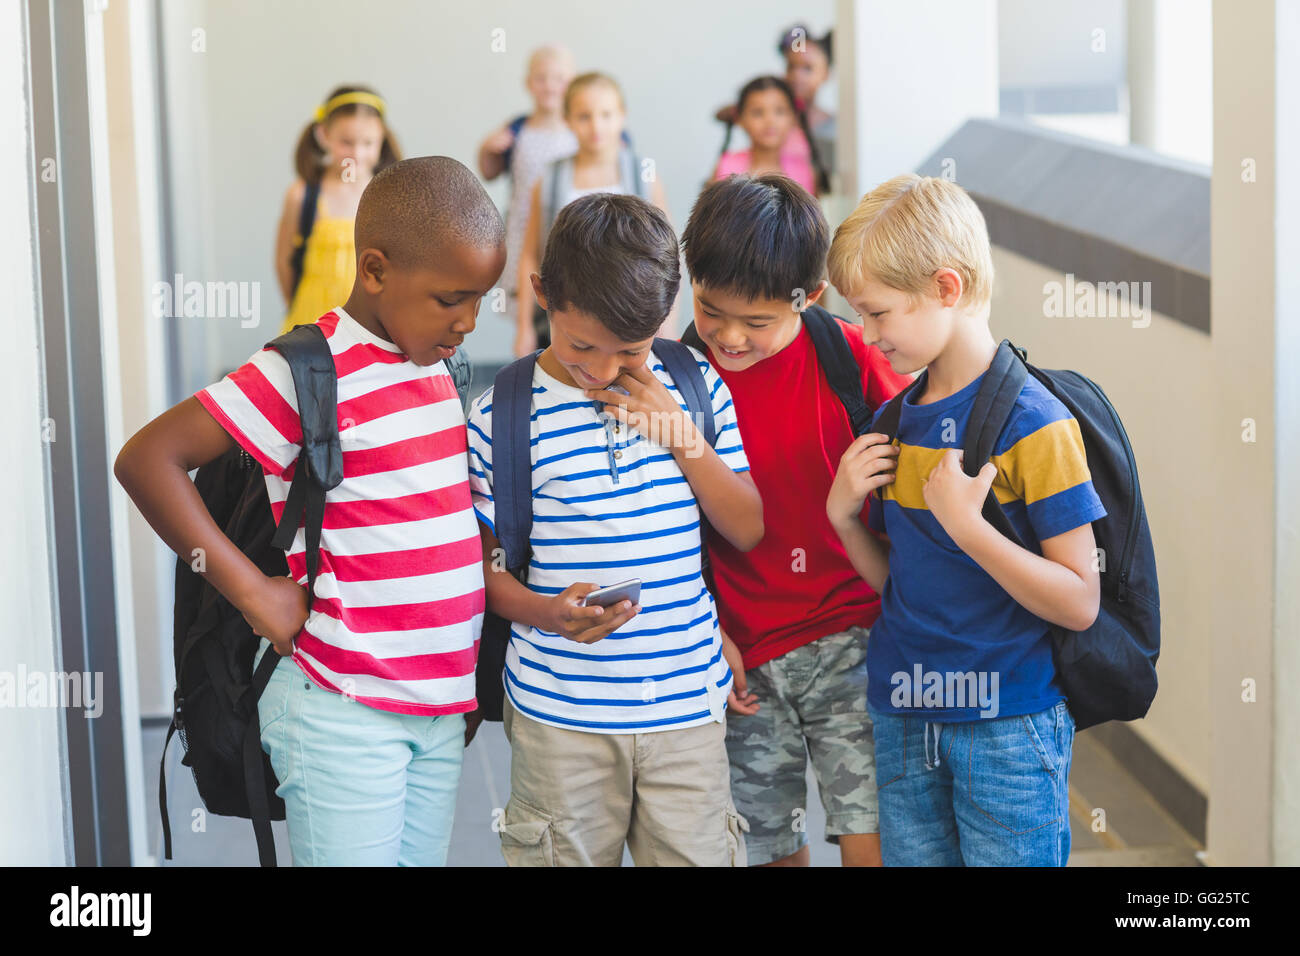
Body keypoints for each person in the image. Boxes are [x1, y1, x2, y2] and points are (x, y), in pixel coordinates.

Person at [116, 157, 506, 866]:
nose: (469, 322)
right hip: (341, 707)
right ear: (377, 270)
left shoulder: (438, 367)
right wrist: (253, 592)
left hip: (439, 708)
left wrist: (460, 682)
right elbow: (148, 460)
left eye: (480, 300)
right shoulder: (304, 371)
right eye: (452, 299)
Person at [467, 193, 762, 866]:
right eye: (580, 346)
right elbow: (480, 570)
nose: (601, 371)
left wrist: (681, 436)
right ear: (541, 293)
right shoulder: (500, 415)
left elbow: (746, 528)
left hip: (687, 711)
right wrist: (545, 612)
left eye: (630, 350)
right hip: (558, 722)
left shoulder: (693, 386)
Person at [825, 174, 1106, 866]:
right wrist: (845, 522)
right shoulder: (898, 421)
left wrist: (971, 528)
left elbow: (1079, 600)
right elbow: (905, 581)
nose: (865, 336)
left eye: (878, 313)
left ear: (946, 289)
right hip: (905, 716)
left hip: (1007, 726)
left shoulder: (1035, 423)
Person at [679, 174, 911, 866]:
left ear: (808, 298)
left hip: (856, 638)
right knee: (768, 847)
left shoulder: (851, 359)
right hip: (745, 661)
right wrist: (709, 632)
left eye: (757, 323)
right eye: (711, 309)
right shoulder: (682, 381)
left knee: (873, 838)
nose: (729, 336)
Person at [514, 72, 671, 357]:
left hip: (631, 318)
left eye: (606, 114)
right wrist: (524, 326)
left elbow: (666, 256)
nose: (596, 126)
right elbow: (530, 254)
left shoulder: (644, 176)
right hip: (565, 321)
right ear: (567, 120)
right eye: (584, 116)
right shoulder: (548, 179)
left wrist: (668, 324)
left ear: (622, 116)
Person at [275, 85, 401, 333]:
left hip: (372, 328)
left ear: (382, 139)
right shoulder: (302, 195)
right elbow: (284, 262)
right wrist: (297, 307)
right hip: (313, 324)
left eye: (368, 143)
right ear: (324, 135)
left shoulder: (391, 195)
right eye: (346, 142)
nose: (357, 153)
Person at [477, 45, 578, 304]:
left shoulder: (581, 127)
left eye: (559, 79)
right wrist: (488, 150)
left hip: (570, 232)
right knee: (529, 298)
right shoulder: (518, 128)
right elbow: (490, 172)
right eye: (541, 78)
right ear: (528, 83)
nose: (550, 86)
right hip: (524, 234)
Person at [712, 76, 826, 195]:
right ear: (740, 118)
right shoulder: (727, 167)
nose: (770, 121)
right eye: (758, 112)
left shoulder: (803, 172)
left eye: (779, 111)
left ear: (793, 117)